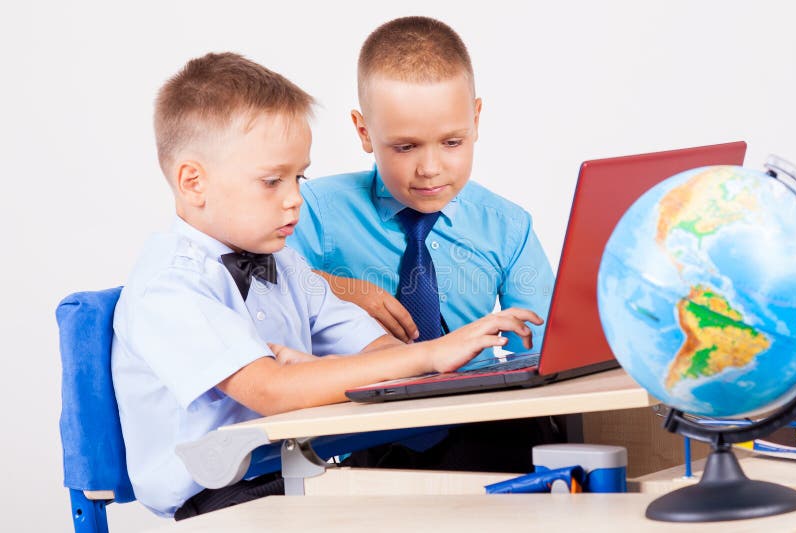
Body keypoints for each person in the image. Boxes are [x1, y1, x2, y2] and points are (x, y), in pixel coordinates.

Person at [110, 52, 540, 519]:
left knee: (490, 490)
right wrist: (432, 352)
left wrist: (327, 366)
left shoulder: (287, 265)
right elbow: (270, 391)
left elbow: (381, 352)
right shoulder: (170, 286)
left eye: (299, 177)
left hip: (305, 478)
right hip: (222, 503)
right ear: (193, 182)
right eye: (272, 181)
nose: (295, 199)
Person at [287, 16, 560, 471]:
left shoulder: (506, 226)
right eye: (405, 147)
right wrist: (342, 287)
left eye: (452, 141)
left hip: (485, 423)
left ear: (476, 119)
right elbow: (257, 280)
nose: (430, 168)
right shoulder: (314, 209)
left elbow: (548, 347)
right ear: (363, 133)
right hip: (365, 432)